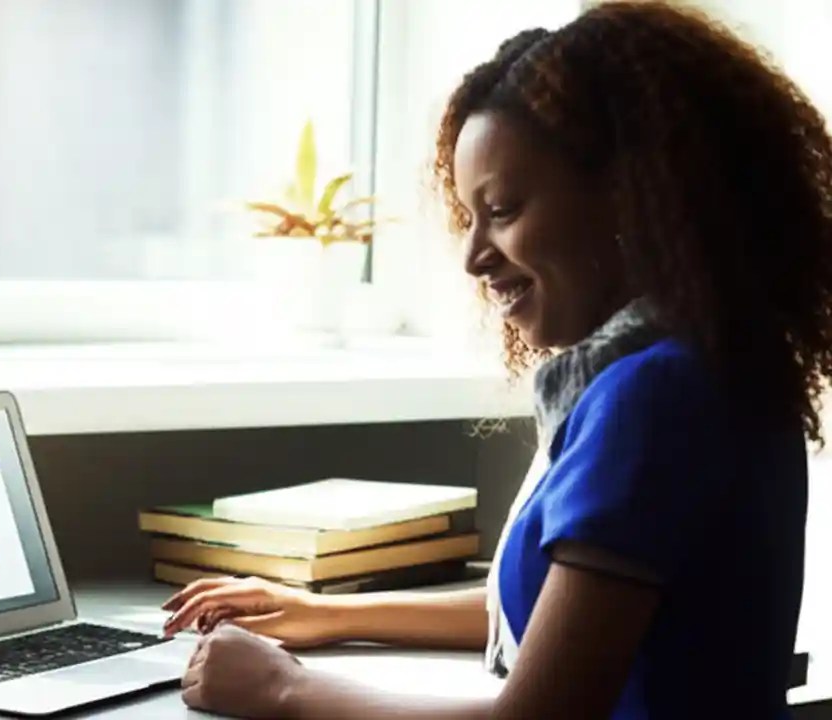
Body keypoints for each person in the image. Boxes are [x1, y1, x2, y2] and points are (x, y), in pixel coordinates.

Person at [162, 2, 832, 717]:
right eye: (467, 215)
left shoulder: (654, 399)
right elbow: (552, 617)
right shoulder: (711, 368)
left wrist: (282, 687)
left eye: (503, 210)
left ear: (631, 197)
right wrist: (322, 613)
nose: (473, 255)